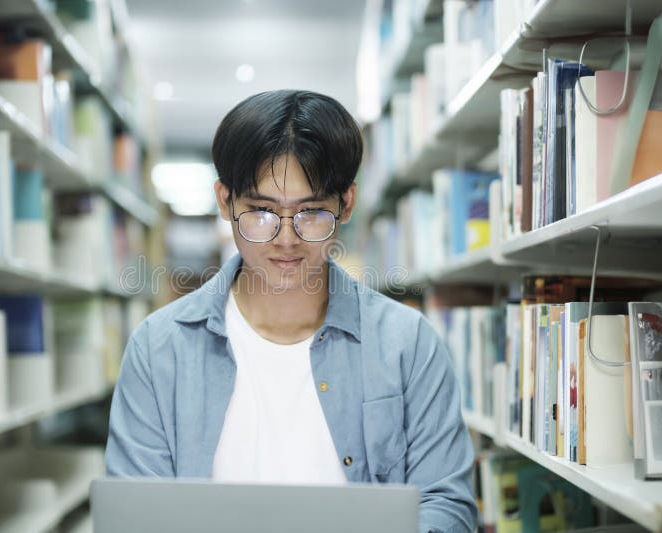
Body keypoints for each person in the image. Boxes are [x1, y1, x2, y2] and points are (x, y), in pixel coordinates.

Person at [105, 89, 476, 533]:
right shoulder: (159, 347)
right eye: (261, 211)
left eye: (312, 212)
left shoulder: (408, 343)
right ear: (225, 201)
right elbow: (133, 516)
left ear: (347, 203)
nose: (285, 239)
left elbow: (447, 506)